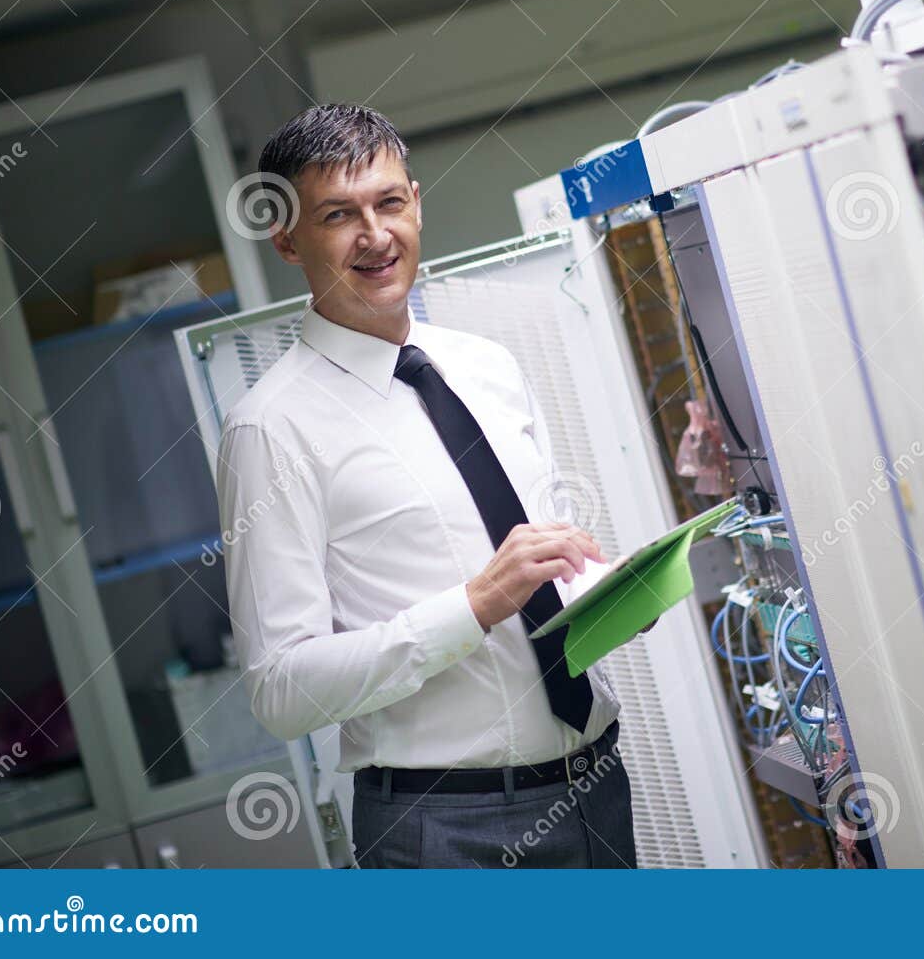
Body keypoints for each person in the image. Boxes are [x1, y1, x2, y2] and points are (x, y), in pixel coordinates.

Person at [216, 103, 635, 868]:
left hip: (597, 789)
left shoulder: (486, 366)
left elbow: (537, 571)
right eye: (338, 215)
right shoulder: (269, 428)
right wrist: (474, 606)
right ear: (285, 237)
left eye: (390, 203)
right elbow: (281, 691)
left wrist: (608, 599)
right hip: (443, 832)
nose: (375, 237)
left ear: (416, 201)